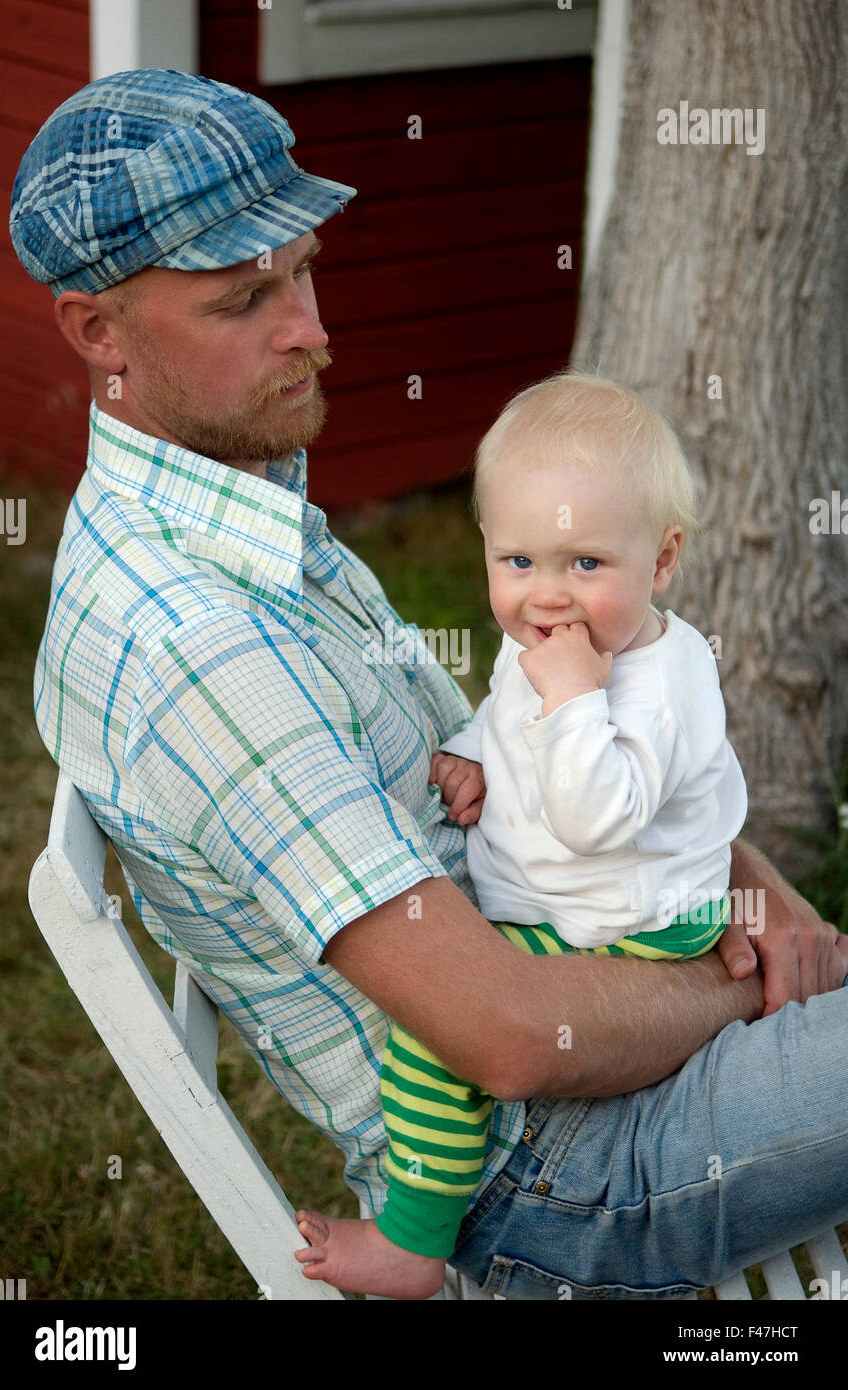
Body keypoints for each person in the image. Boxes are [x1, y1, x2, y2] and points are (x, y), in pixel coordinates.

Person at [11, 69, 848, 1302]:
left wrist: (746, 887)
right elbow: (507, 1038)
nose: (310, 327)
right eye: (245, 297)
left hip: (589, 985)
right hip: (559, 1184)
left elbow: (524, 730)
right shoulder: (197, 642)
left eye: (302, 267)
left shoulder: (246, 510)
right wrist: (731, 967)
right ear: (98, 334)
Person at [295, 370, 750, 1297]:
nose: (548, 596)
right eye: (518, 562)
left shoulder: (657, 685)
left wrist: (574, 697)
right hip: (594, 896)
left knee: (436, 1035)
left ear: (660, 562)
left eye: (585, 563)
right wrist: (474, 753)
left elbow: (591, 821)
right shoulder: (554, 648)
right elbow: (511, 716)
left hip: (627, 921)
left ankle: (413, 1244)